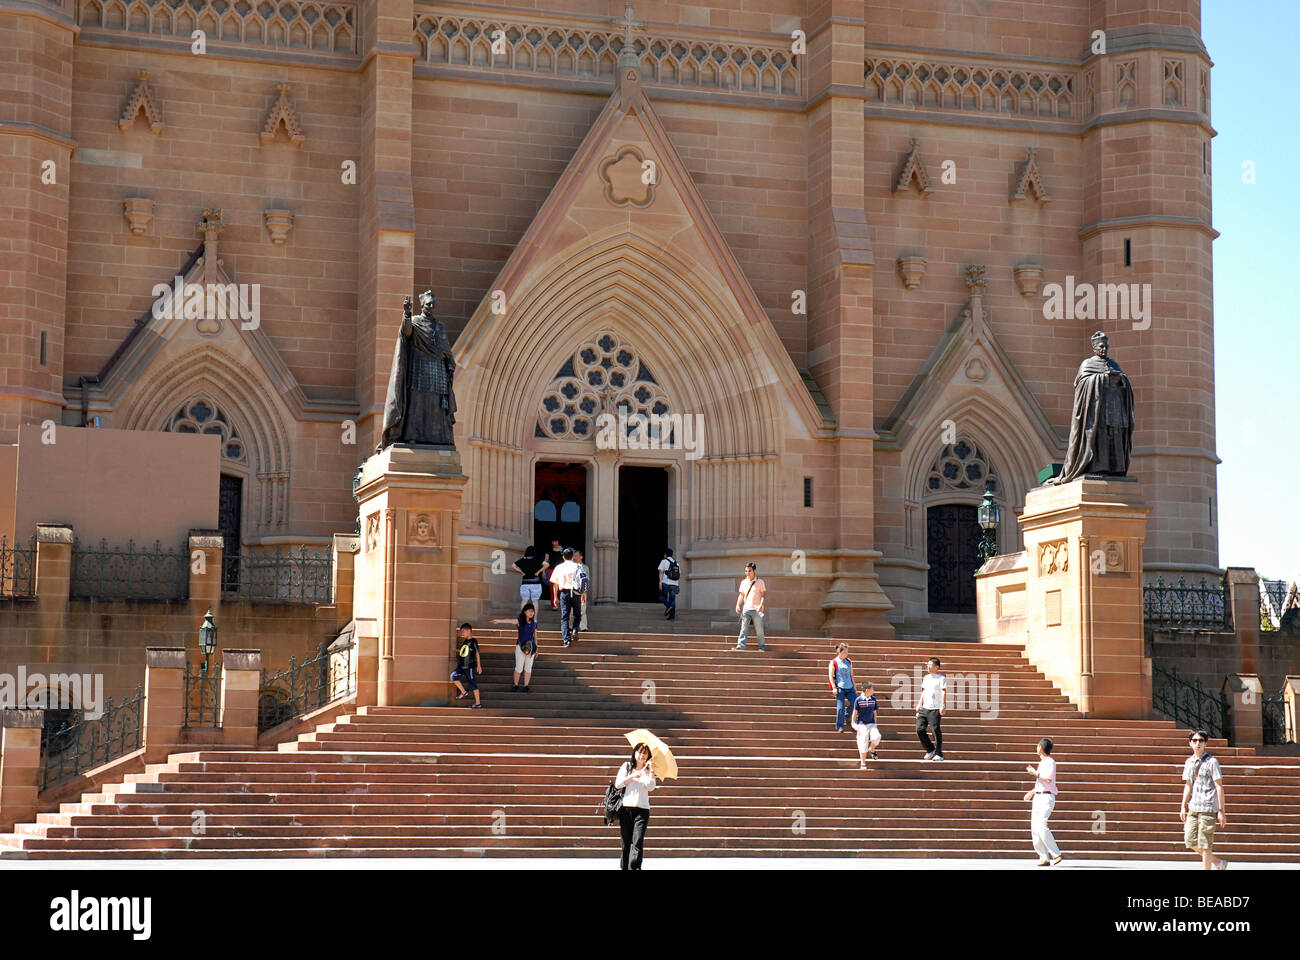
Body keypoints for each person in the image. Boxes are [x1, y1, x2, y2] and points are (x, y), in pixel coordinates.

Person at [1180, 728, 1228, 870]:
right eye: (1194, 740)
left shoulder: (1212, 762)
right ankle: (1218, 862)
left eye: (1201, 740)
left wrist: (1221, 810)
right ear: (1190, 743)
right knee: (1189, 840)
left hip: (1208, 807)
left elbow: (1219, 787)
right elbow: (1188, 785)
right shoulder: (1188, 762)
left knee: (1205, 844)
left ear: (1205, 743)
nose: (1198, 743)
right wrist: (1183, 806)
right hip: (1193, 806)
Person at [615, 743, 657, 870]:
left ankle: (635, 868)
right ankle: (624, 867)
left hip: (642, 810)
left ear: (648, 756)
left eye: (645, 753)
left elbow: (651, 787)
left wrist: (651, 770)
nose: (642, 755)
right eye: (639, 752)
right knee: (626, 843)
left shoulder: (649, 770)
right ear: (634, 753)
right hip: (626, 809)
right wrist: (632, 777)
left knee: (637, 841)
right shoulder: (626, 766)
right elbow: (618, 784)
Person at [1024, 737, 1063, 866]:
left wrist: (1034, 773)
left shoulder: (1050, 762)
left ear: (1041, 747)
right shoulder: (1042, 763)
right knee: (1035, 828)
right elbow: (1042, 783)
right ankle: (1043, 857)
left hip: (1046, 798)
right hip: (1039, 796)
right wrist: (1032, 792)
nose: (1036, 748)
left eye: (1037, 746)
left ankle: (1056, 854)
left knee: (1041, 824)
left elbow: (1048, 779)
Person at [491, 603, 538, 692]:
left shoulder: (534, 623)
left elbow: (536, 637)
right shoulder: (520, 621)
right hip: (520, 647)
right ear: (525, 612)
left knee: (528, 668)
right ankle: (515, 685)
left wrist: (537, 649)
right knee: (519, 668)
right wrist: (499, 621)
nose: (531, 613)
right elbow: (509, 620)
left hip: (531, 648)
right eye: (529, 611)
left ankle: (526, 685)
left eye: (533, 611)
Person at [915, 656, 946, 760]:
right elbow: (924, 692)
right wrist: (919, 704)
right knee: (919, 729)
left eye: (930, 665)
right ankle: (930, 749)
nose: (928, 667)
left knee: (935, 730)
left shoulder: (941, 678)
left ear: (937, 667)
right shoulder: (926, 678)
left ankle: (939, 754)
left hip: (935, 708)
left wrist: (943, 705)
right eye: (927, 665)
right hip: (925, 707)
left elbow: (943, 691)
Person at [550, 547, 581, 647]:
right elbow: (583, 581)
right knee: (577, 614)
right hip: (576, 592)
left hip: (564, 593)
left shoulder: (559, 567)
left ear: (563, 557)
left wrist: (555, 597)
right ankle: (575, 629)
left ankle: (567, 640)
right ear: (572, 557)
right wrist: (584, 594)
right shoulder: (578, 566)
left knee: (565, 617)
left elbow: (555, 584)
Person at [733, 562, 766, 651]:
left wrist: (761, 605)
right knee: (743, 629)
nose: (747, 573)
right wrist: (737, 605)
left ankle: (762, 647)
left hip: (756, 610)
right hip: (746, 609)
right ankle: (741, 646)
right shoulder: (743, 582)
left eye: (749, 571)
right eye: (746, 571)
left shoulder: (760, 582)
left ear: (754, 571)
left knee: (759, 630)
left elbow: (763, 595)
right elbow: (742, 595)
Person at [511, 546, 548, 622]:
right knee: (535, 601)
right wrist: (538, 572)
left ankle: (523, 618)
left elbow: (513, 565)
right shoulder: (537, 560)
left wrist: (521, 572)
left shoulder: (523, 560)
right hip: (536, 583)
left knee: (524, 601)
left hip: (525, 583)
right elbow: (547, 564)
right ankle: (535, 619)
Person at [450, 622, 483, 708]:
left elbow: (477, 653)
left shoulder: (473, 641)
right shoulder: (465, 642)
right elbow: (463, 651)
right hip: (461, 666)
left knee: (473, 684)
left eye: (463, 632)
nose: (462, 634)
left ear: (469, 631)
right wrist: (456, 650)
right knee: (453, 676)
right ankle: (464, 692)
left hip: (470, 667)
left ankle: (478, 703)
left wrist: (479, 666)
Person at [851, 680, 882, 767]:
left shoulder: (873, 699)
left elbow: (874, 712)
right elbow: (855, 712)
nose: (874, 690)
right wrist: (853, 723)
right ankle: (863, 763)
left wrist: (875, 723)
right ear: (867, 690)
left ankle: (871, 750)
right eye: (872, 688)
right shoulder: (858, 700)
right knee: (862, 743)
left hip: (871, 724)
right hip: (862, 725)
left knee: (877, 736)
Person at [828, 643, 855, 731]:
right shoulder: (834, 662)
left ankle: (847, 716)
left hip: (850, 687)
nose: (846, 654)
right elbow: (831, 675)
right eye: (845, 652)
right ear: (839, 652)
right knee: (840, 707)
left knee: (855, 703)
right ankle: (840, 726)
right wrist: (834, 687)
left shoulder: (849, 661)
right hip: (840, 687)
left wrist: (854, 685)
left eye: (847, 652)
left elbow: (852, 675)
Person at [658, 548, 680, 621]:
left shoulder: (664, 561)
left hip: (666, 583)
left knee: (661, 597)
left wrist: (660, 582)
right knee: (672, 600)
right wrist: (678, 586)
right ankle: (672, 616)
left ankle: (668, 606)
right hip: (675, 584)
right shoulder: (676, 563)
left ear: (665, 555)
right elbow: (678, 575)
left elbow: (661, 572)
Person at [544, 538, 563, 610]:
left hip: (561, 571)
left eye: (555, 541)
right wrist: (543, 571)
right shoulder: (549, 550)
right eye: (553, 541)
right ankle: (554, 605)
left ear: (558, 541)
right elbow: (546, 561)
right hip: (551, 570)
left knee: (561, 588)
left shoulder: (563, 550)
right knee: (552, 588)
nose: (554, 543)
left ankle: (561, 603)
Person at [575, 548, 591, 632]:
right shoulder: (571, 566)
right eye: (574, 556)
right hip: (572, 591)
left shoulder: (585, 567)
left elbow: (586, 580)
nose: (574, 557)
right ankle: (571, 626)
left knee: (582, 609)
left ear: (581, 557)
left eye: (576, 556)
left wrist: (585, 593)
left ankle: (583, 627)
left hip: (581, 591)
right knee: (571, 610)